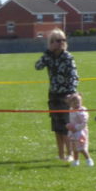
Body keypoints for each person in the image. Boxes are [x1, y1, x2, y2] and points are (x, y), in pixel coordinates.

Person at [34, 29, 79, 162]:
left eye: (63, 40)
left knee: (66, 126)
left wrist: (71, 94)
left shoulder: (68, 57)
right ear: (51, 42)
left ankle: (70, 154)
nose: (61, 43)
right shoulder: (48, 56)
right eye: (58, 40)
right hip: (53, 95)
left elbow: (74, 77)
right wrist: (47, 52)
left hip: (66, 96)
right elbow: (38, 66)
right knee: (57, 127)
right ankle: (60, 154)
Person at [64, 93, 93, 167]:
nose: (77, 104)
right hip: (73, 132)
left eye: (79, 102)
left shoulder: (82, 111)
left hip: (80, 132)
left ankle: (88, 159)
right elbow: (67, 100)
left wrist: (75, 127)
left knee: (81, 147)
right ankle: (76, 161)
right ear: (70, 104)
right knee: (74, 147)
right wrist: (70, 126)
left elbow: (84, 122)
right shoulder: (71, 109)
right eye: (74, 102)